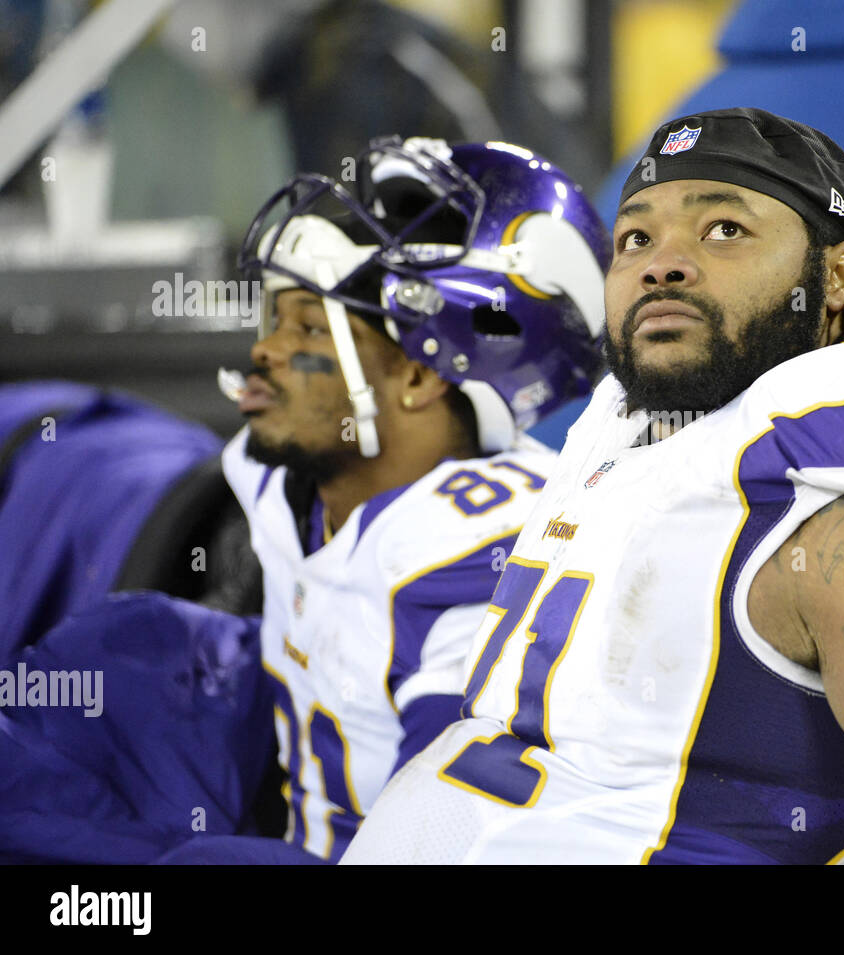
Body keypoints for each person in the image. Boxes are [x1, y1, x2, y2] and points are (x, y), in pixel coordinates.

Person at [343, 109, 844, 865]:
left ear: (836, 276)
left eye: (724, 229)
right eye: (635, 237)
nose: (661, 263)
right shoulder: (617, 432)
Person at [0, 136, 611, 865]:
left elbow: (450, 842)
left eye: (311, 328)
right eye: (277, 318)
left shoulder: (477, 565)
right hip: (300, 808)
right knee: (137, 650)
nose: (265, 351)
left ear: (421, 377)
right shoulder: (300, 485)